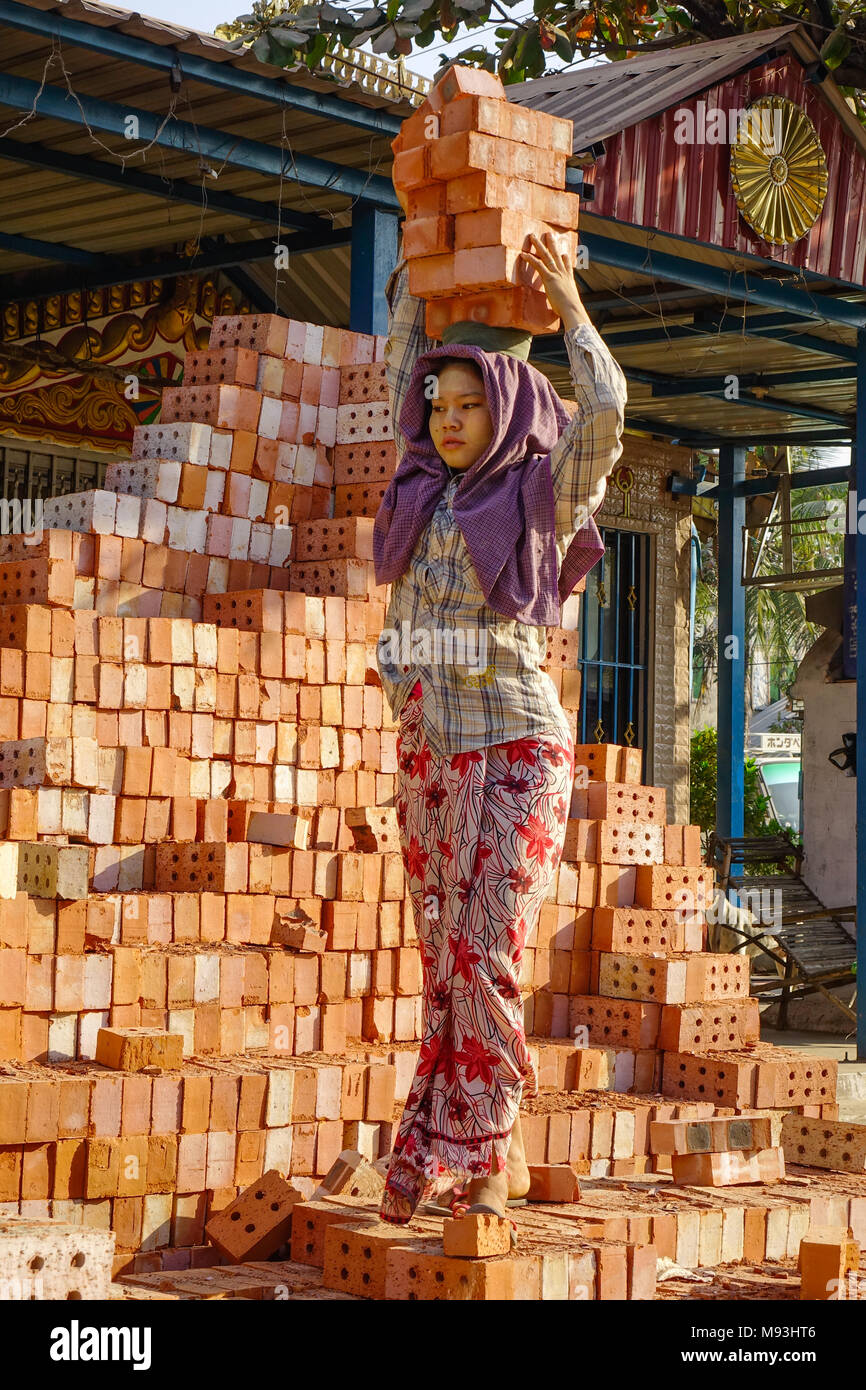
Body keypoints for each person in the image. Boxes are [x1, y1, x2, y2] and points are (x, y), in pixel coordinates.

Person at [372, 185, 628, 1231]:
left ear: (509, 407)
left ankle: (482, 1152)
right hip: (430, 754)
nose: (445, 416)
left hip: (516, 750)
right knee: (445, 964)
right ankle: (484, 1149)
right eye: (440, 404)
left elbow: (605, 409)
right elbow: (393, 377)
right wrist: (407, 288)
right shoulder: (419, 487)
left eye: (468, 402)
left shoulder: (537, 492)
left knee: (487, 951)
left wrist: (568, 306)